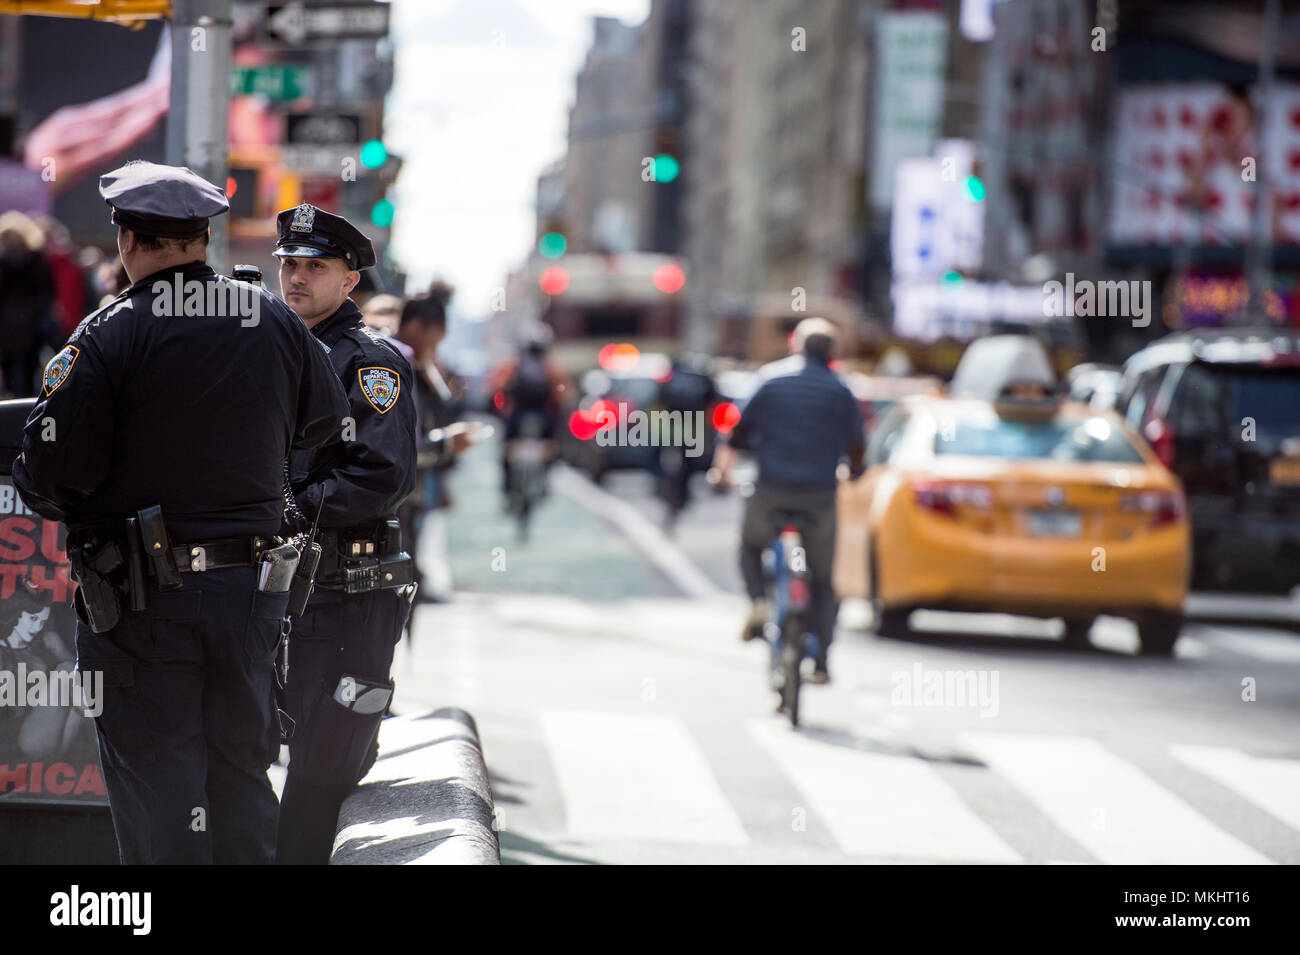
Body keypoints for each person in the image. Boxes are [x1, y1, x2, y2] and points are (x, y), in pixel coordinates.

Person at [11, 161, 350, 864]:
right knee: (241, 775)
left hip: (143, 607)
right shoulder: (273, 320)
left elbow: (54, 474)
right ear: (201, 238)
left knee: (159, 788)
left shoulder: (110, 333)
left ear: (129, 239)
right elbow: (323, 424)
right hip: (250, 597)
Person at [271, 203, 419, 865]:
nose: (297, 278)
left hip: (344, 592)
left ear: (350, 280)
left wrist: (284, 509)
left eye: (315, 267)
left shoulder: (370, 363)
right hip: (269, 589)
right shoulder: (269, 343)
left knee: (324, 766)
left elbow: (379, 474)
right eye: (290, 265)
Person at [711, 317, 865, 684]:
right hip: (819, 495)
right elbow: (858, 446)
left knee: (750, 547)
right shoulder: (840, 390)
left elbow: (736, 433)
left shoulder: (770, 379)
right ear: (831, 353)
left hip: (770, 490)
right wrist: (854, 473)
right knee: (824, 579)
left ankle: (758, 603)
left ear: (795, 345)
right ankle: (823, 659)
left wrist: (721, 473)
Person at [486, 324, 569, 499]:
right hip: (543, 417)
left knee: (506, 448)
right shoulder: (551, 368)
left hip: (516, 415)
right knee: (553, 446)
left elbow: (495, 388)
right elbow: (563, 395)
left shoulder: (512, 365)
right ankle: (545, 479)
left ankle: (507, 486)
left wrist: (500, 407)